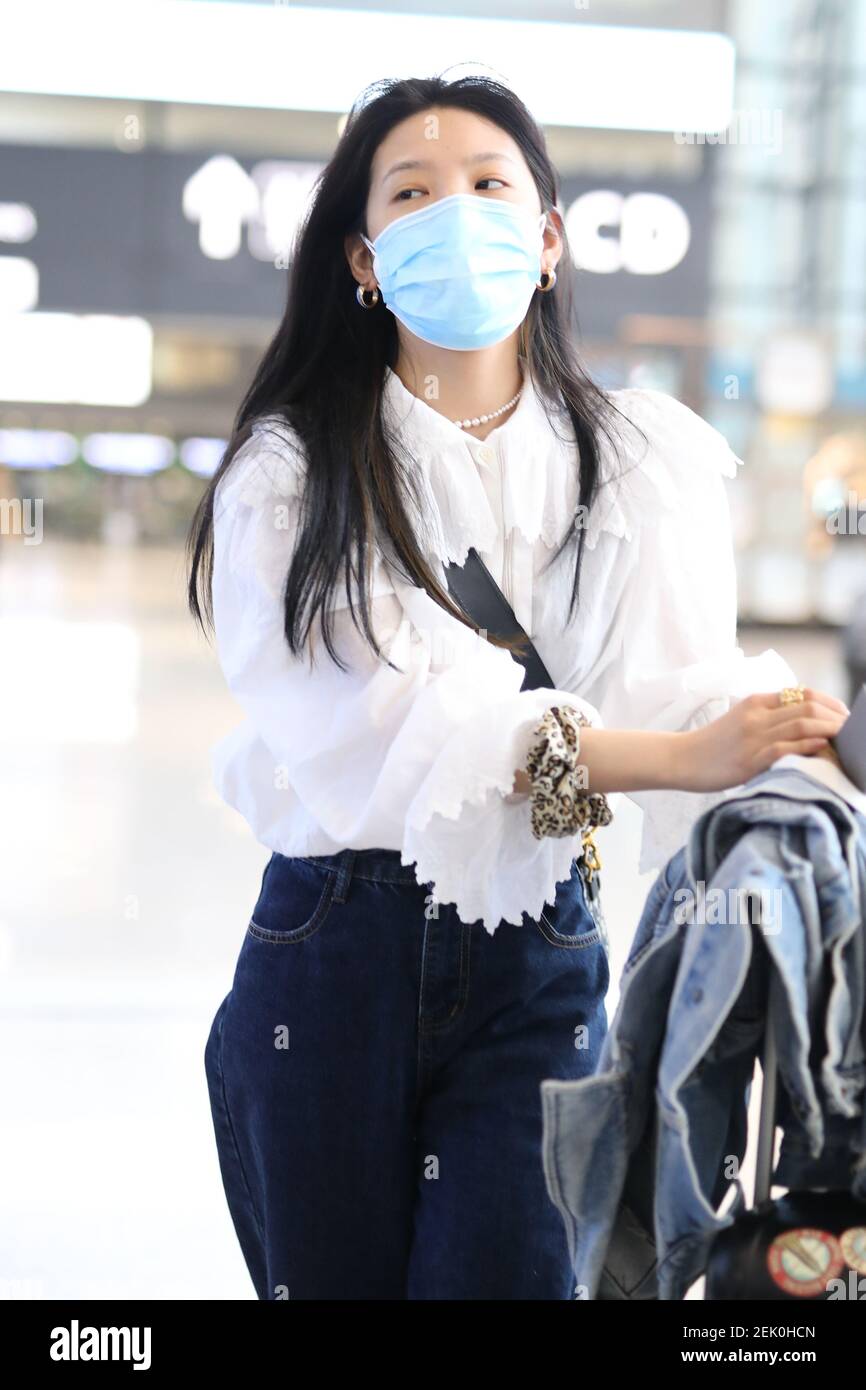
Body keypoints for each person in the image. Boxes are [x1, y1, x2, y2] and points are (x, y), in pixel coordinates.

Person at [186, 75, 849, 1301]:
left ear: (545, 240)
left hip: (539, 952)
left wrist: (793, 747)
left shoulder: (638, 459)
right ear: (363, 260)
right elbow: (404, 724)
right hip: (331, 953)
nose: (456, 212)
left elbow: (678, 686)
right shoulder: (290, 473)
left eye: (489, 184)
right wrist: (676, 758)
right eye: (410, 193)